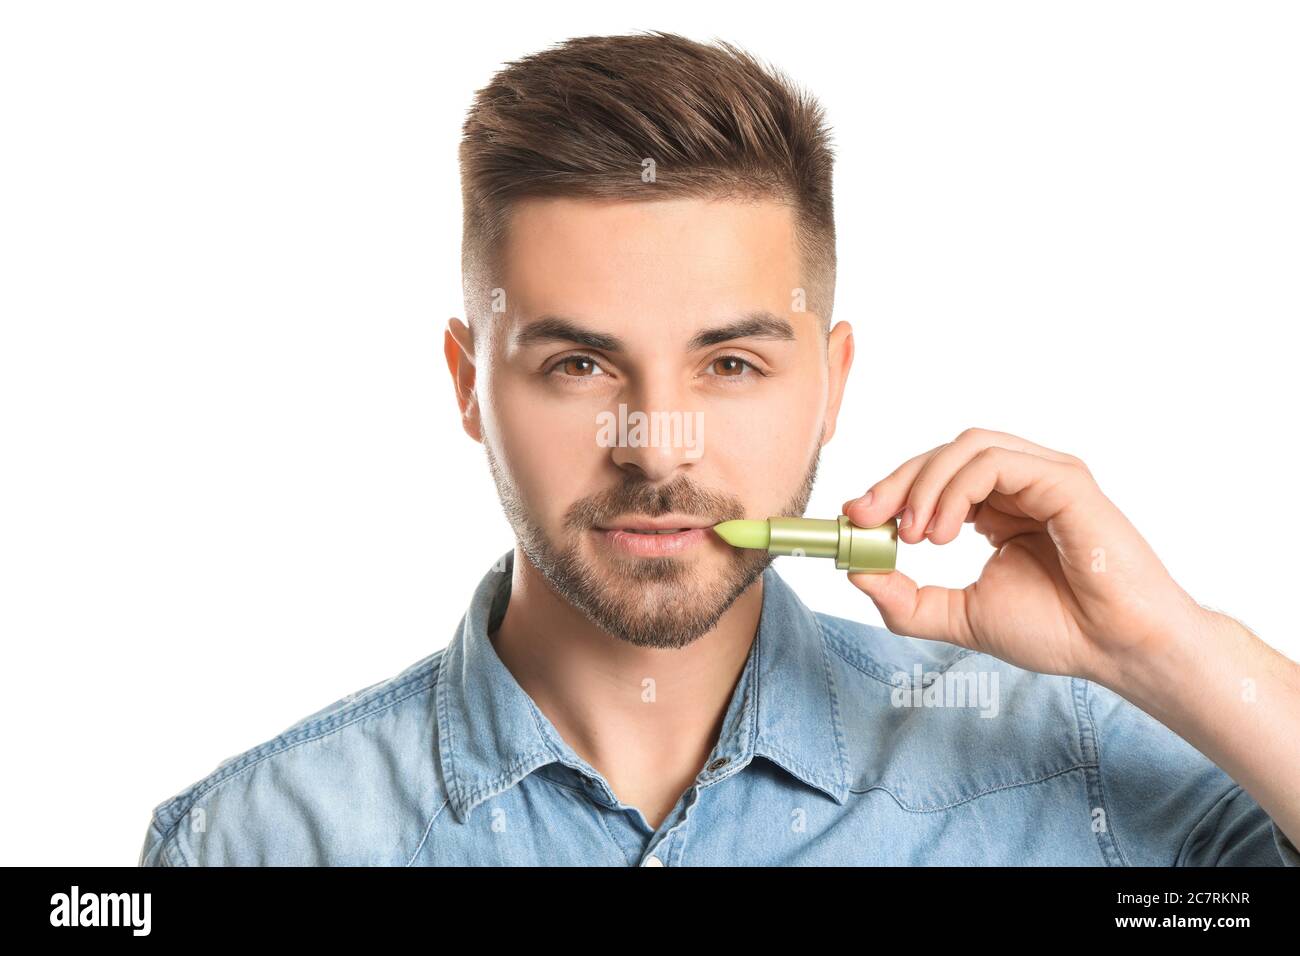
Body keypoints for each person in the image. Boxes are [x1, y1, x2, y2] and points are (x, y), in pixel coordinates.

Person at [139, 30, 1299, 866]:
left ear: (830, 384)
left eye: (729, 364)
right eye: (579, 365)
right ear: (468, 385)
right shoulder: (247, 842)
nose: (654, 447)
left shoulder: (1074, 774)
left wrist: (1172, 649)